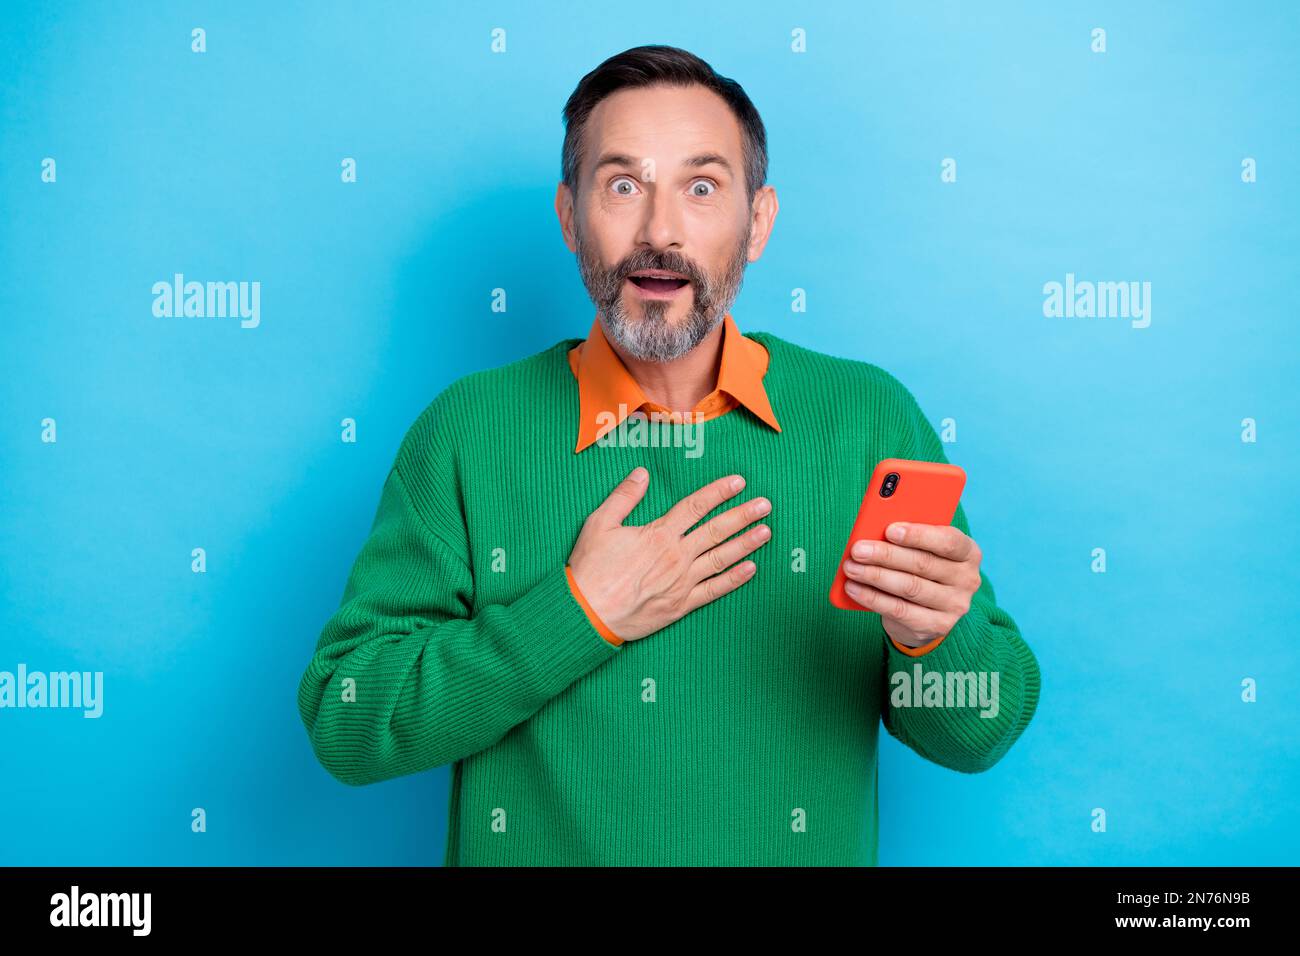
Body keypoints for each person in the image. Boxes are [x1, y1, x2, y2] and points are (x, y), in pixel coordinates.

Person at [297, 44, 1040, 866]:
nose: (659, 231)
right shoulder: (468, 430)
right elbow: (347, 720)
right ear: (570, 215)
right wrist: (577, 614)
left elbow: (981, 732)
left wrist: (933, 639)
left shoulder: (867, 421)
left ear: (756, 223)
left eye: (701, 187)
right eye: (623, 185)